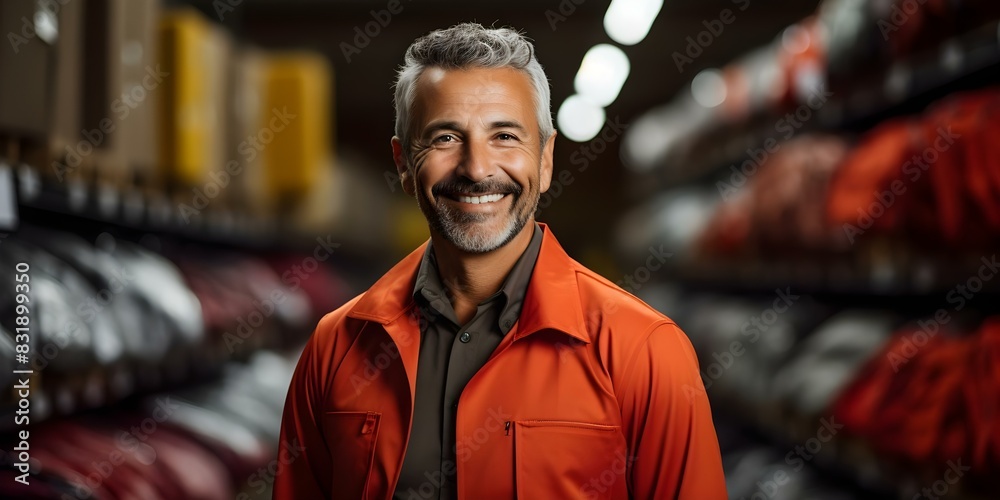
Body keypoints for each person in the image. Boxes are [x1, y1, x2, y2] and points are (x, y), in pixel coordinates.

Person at [273, 22, 727, 500]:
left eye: (505, 136)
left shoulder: (643, 351)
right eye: (445, 138)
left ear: (546, 159)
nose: (477, 168)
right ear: (405, 163)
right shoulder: (336, 348)